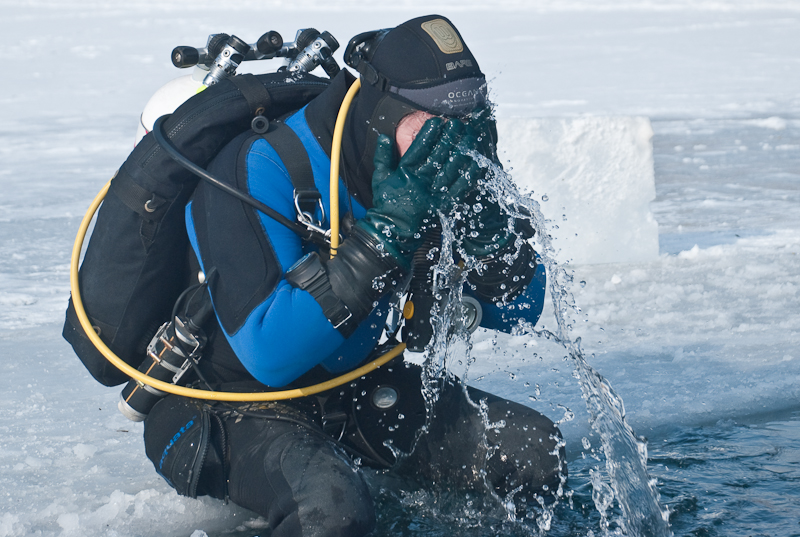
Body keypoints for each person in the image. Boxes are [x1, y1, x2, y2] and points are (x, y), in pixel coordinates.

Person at [141, 15, 566, 537]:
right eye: (438, 118)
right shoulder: (258, 165)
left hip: (351, 386)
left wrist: (490, 235)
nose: (458, 135)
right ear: (384, 114)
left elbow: (523, 309)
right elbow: (269, 355)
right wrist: (384, 235)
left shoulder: (438, 166)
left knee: (534, 453)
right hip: (226, 406)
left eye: (472, 113)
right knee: (333, 512)